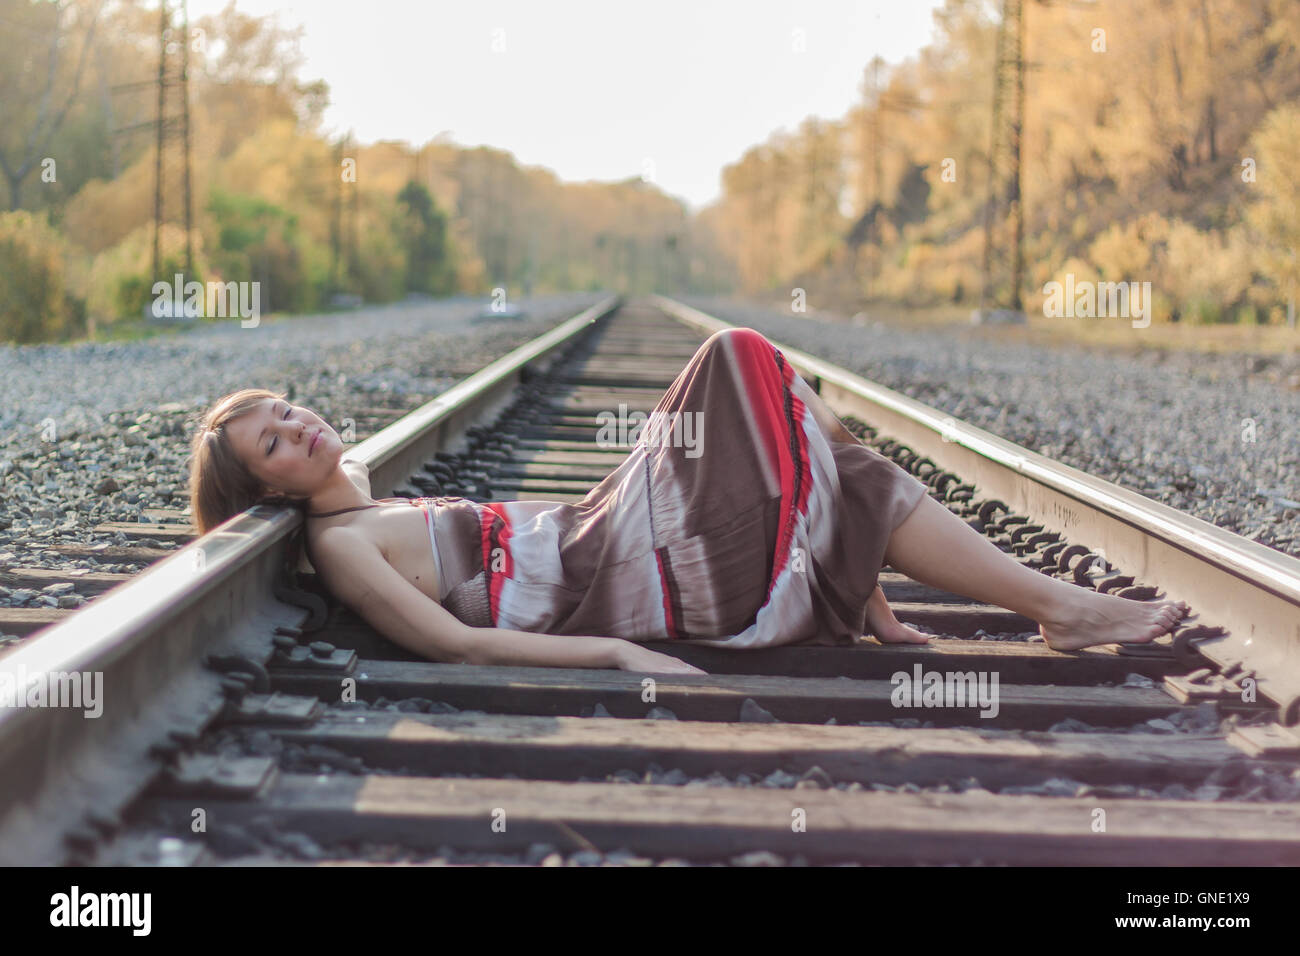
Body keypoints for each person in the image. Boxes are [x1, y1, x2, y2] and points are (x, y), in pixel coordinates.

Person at [188, 327, 1188, 675]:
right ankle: (1009, 601)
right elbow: (456, 646)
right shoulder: (344, 547)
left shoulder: (358, 501)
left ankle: (1043, 606)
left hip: (610, 531)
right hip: (622, 578)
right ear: (262, 486)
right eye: (273, 441)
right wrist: (621, 653)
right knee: (738, 360)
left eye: (285, 408)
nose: (299, 425)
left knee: (816, 440)